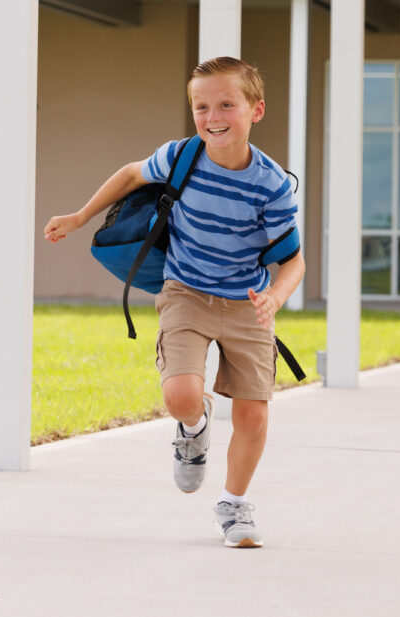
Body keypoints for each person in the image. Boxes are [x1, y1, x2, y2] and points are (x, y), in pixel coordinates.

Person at [43, 57, 304, 549]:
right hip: (185, 290)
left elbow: (293, 262)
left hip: (248, 302)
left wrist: (275, 296)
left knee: (253, 414)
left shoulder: (271, 186)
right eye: (201, 106)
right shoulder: (181, 157)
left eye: (227, 104)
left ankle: (233, 505)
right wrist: (80, 216)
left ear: (256, 110)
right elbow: (130, 174)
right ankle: (194, 426)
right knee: (180, 395)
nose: (213, 116)